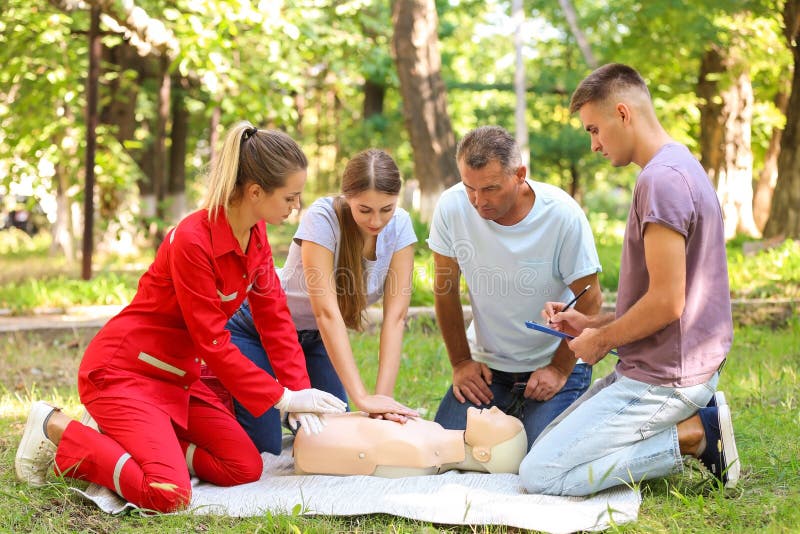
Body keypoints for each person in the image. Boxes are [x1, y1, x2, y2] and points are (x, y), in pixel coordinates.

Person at [14, 122, 347, 512]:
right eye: (291, 197)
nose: (296, 207)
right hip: (124, 373)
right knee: (169, 494)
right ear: (256, 192)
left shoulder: (255, 236)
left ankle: (131, 444)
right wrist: (282, 396)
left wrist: (300, 397)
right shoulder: (192, 238)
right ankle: (56, 426)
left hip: (177, 378)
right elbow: (212, 342)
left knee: (244, 466)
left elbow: (275, 320)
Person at [519, 63, 739, 497]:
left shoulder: (661, 181)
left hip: (666, 379)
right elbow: (667, 299)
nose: (595, 144)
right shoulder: (678, 165)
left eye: (595, 129)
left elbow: (667, 303)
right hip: (661, 366)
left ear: (623, 113)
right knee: (546, 450)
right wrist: (591, 324)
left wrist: (600, 344)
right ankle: (693, 419)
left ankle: (694, 435)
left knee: (540, 475)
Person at [227, 148, 419, 455]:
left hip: (315, 340)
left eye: (387, 208)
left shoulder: (400, 226)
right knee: (264, 447)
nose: (377, 220)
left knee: (333, 439)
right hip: (257, 328)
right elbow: (327, 312)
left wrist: (379, 402)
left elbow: (395, 319)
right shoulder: (323, 217)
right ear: (347, 197)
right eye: (365, 209)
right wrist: (361, 397)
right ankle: (218, 396)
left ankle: (281, 409)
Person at [429, 125, 603, 450]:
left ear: (520, 175)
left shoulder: (562, 216)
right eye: (470, 187)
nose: (479, 202)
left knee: (544, 459)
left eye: (491, 188)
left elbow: (591, 300)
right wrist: (461, 363)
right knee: (443, 451)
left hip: (553, 361)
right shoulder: (452, 206)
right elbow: (444, 290)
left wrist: (559, 369)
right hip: (488, 367)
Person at [293, 407, 527, 477]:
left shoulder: (420, 457)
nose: (496, 409)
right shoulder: (432, 435)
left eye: (500, 420)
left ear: (483, 454)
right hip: (315, 430)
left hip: (312, 442)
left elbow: (360, 453)